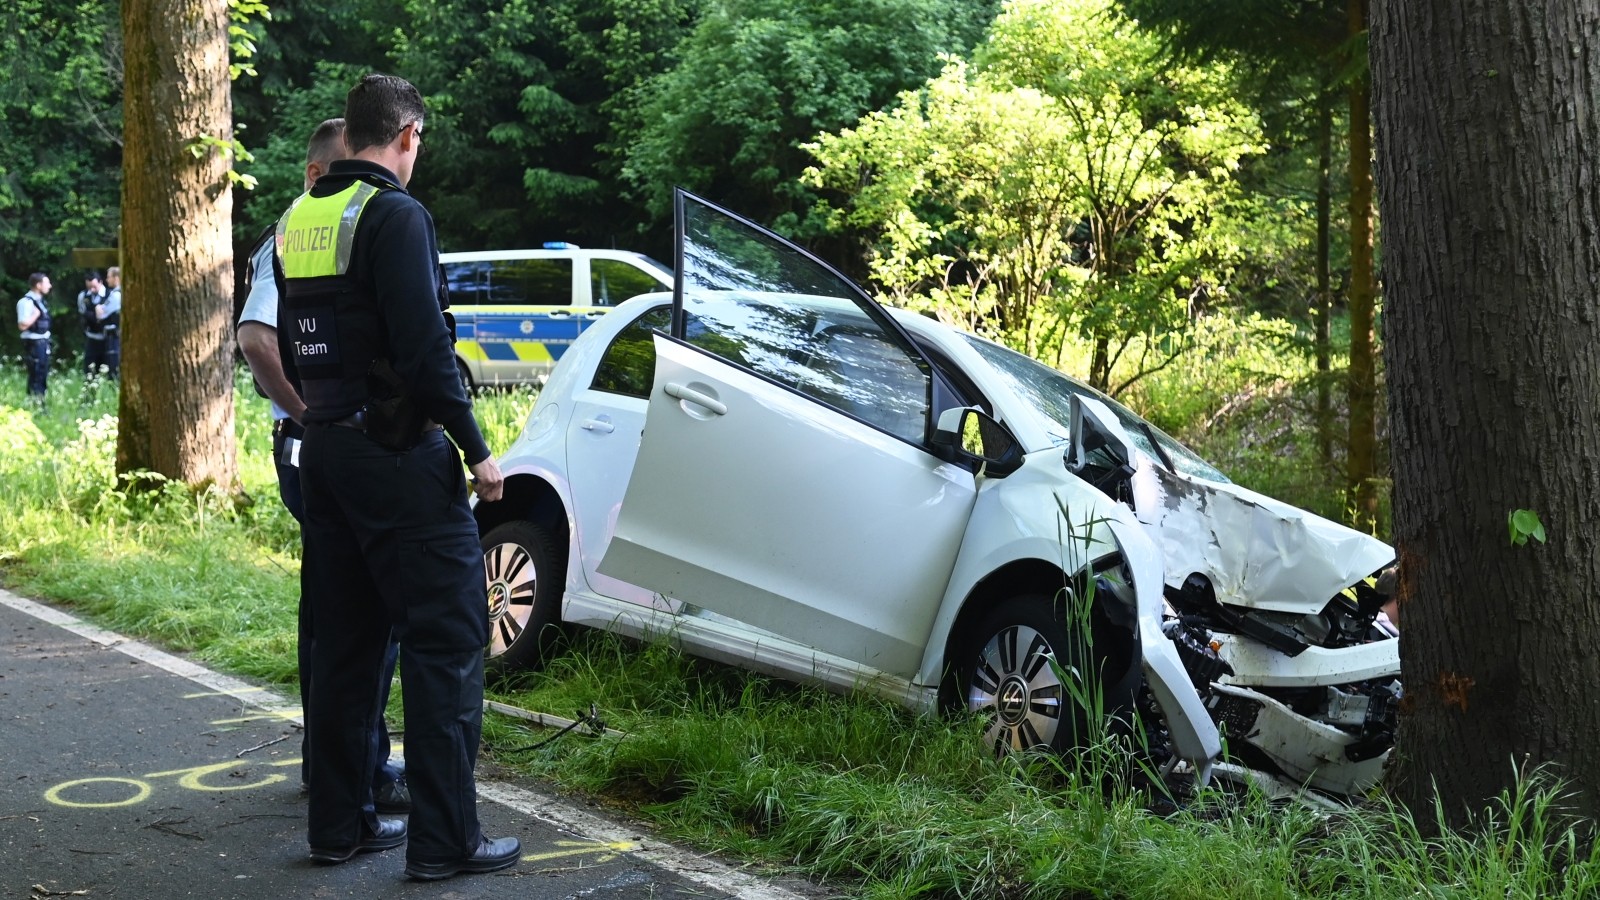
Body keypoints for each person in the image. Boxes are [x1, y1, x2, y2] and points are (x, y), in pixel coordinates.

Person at [273, 73, 518, 880]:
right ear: (407, 134)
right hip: (399, 456)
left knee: (345, 648)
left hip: (327, 451)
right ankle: (446, 842)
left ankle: (337, 827)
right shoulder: (396, 215)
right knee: (446, 646)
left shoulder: (301, 216)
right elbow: (425, 353)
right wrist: (479, 452)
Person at [236, 117, 409, 816]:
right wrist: (312, 414)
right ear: (314, 175)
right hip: (321, 447)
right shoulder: (297, 231)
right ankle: (356, 768)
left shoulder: (327, 227)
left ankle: (338, 763)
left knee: (334, 613)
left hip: (322, 445)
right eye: (343, 174)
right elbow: (255, 336)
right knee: (358, 617)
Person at [15, 273, 53, 402]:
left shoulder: (40, 301)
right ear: (38, 285)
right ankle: (34, 402)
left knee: (42, 374)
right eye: (47, 283)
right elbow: (22, 325)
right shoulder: (26, 302)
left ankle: (40, 402)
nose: (50, 286)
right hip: (33, 343)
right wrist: (35, 316)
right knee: (36, 374)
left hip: (43, 342)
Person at [77, 271, 109, 376]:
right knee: (89, 370)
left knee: (109, 370)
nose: (91, 290)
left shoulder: (110, 295)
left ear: (100, 282)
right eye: (89, 287)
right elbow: (83, 313)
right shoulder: (83, 296)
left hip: (108, 338)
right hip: (91, 336)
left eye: (94, 286)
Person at [101, 267, 121, 379]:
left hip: (115, 336)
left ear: (116, 278)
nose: (106, 280)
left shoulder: (116, 295)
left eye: (109, 277)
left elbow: (101, 314)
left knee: (114, 368)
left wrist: (99, 308)